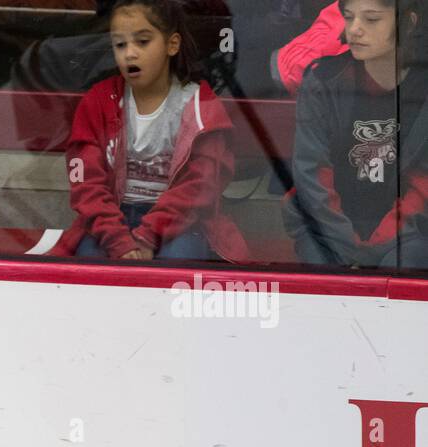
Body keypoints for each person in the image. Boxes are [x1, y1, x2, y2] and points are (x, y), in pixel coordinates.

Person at [51, 0, 247, 262]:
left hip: (180, 223)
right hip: (111, 221)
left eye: (142, 42)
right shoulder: (98, 102)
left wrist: (147, 236)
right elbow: (87, 185)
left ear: (172, 45)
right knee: (91, 270)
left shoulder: (200, 108)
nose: (129, 54)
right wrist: (117, 239)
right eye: (120, 44)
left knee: (176, 269)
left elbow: (201, 186)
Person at [284, 0, 428, 268]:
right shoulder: (322, 81)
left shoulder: (422, 87)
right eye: (349, 18)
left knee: (405, 263)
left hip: (409, 233)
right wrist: (344, 241)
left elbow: (422, 185)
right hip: (327, 227)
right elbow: (312, 173)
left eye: (371, 19)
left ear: (408, 22)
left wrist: (377, 245)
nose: (355, 30)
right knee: (324, 265)